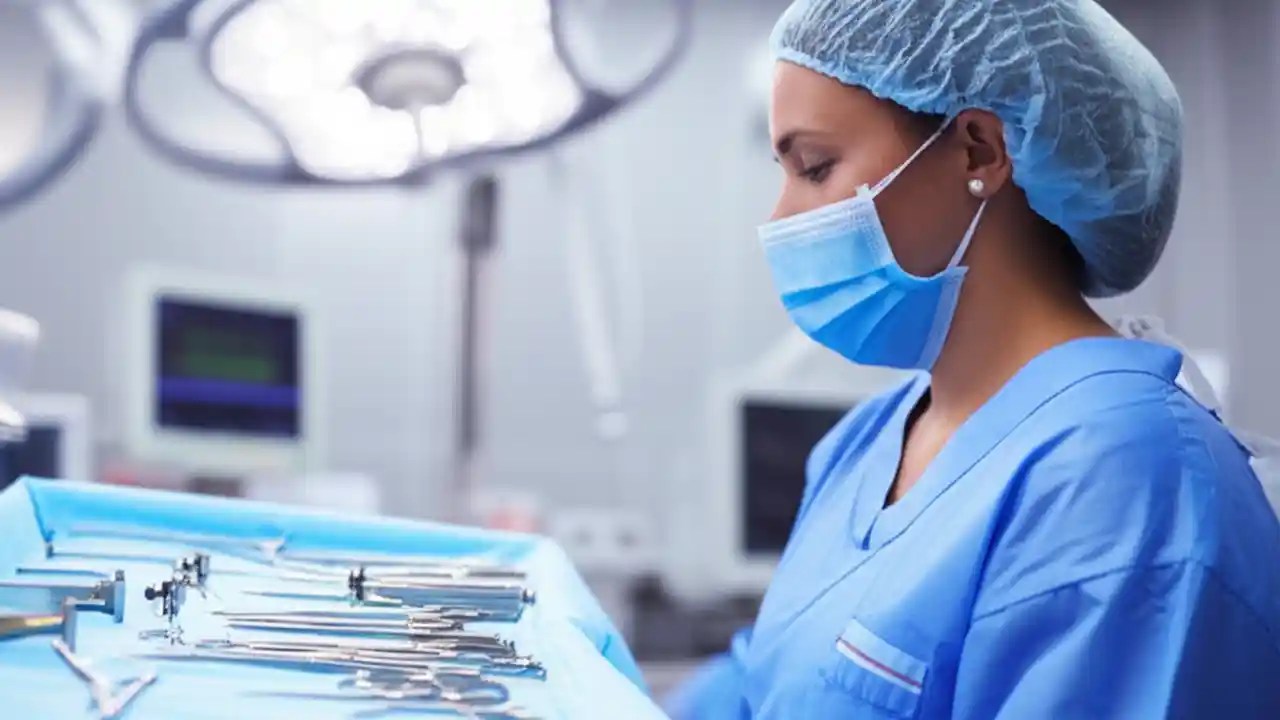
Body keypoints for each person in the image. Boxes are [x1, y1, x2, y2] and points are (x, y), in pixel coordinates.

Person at [665, 1, 1280, 718]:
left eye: (815, 166)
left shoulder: (1131, 481)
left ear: (979, 151)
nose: (780, 219)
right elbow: (768, 681)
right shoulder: (862, 445)